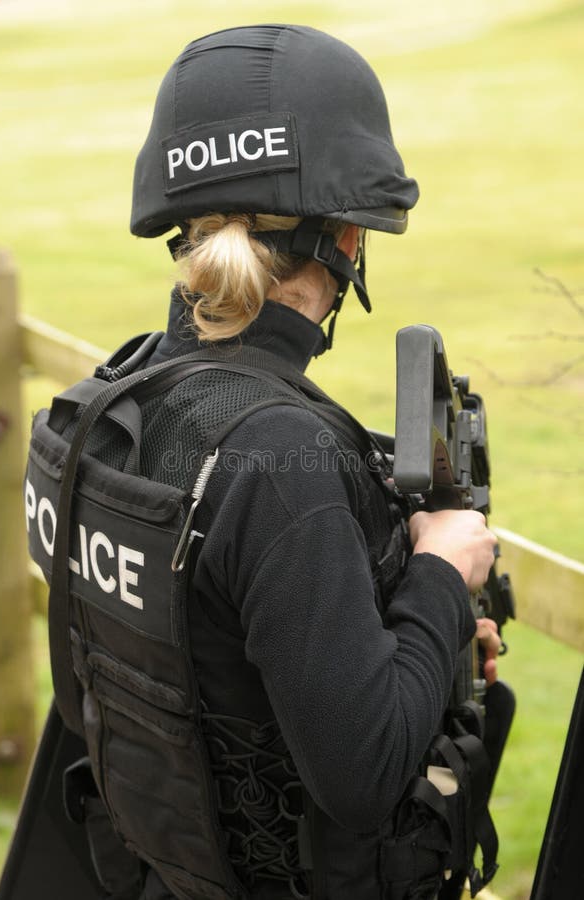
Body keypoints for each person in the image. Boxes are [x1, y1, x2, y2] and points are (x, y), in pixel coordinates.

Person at [29, 23, 502, 900]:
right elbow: (362, 777)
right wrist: (440, 572)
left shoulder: (102, 411)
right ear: (349, 244)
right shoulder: (286, 461)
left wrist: (413, 636)